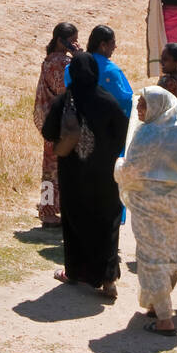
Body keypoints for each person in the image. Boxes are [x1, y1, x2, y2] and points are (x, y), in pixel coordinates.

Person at [115, 86, 177, 334]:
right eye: (140, 104)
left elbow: (131, 169)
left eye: (144, 105)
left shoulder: (147, 134)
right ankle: (157, 302)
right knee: (169, 254)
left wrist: (118, 166)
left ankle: (165, 318)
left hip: (148, 205)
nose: (140, 110)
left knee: (150, 257)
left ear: (157, 106)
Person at [40, 54, 127, 299]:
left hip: (73, 174)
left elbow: (48, 131)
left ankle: (75, 272)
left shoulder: (64, 101)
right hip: (104, 175)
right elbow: (122, 133)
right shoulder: (108, 101)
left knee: (76, 222)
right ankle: (108, 279)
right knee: (106, 222)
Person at [33, 23, 78, 227]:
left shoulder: (49, 59)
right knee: (55, 170)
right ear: (63, 40)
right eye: (73, 39)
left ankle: (48, 205)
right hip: (61, 123)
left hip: (52, 122)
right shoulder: (62, 63)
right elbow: (64, 88)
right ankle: (49, 211)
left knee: (49, 168)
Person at [64, 25, 134, 116]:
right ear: (103, 45)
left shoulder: (70, 68)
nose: (115, 46)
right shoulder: (110, 70)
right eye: (112, 43)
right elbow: (123, 100)